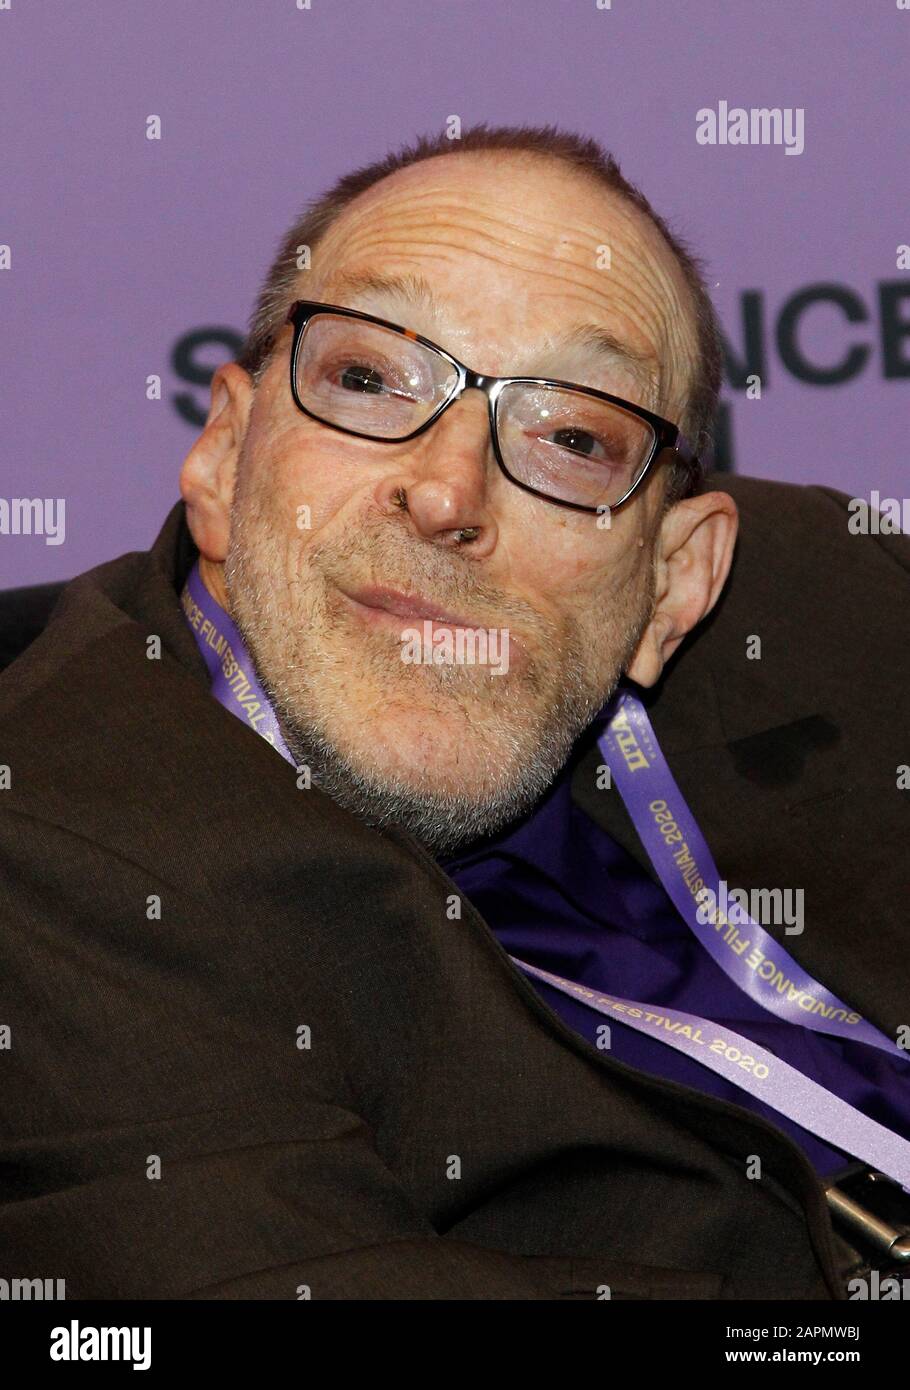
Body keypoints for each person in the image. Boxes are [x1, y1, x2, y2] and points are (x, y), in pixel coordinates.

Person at [1, 124, 907, 1301]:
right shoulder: (49, 859)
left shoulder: (834, 589)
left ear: (674, 580)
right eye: (370, 380)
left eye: (573, 436)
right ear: (225, 456)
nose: (445, 490)